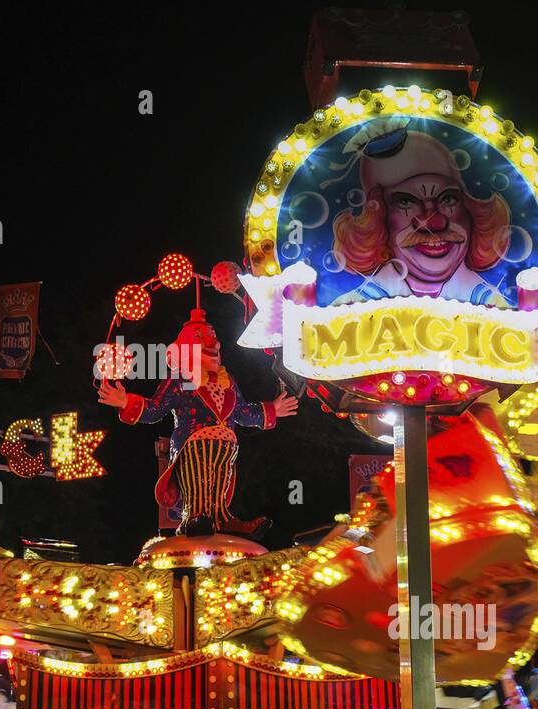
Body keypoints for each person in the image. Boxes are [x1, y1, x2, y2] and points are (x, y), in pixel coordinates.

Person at [98, 308, 298, 538]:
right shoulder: (180, 379)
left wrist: (272, 409)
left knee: (220, 487)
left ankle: (223, 519)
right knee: (198, 483)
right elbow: (156, 408)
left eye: (212, 335)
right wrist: (125, 401)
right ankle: (193, 519)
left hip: (227, 446)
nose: (211, 341)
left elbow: (241, 411)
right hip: (193, 444)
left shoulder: (227, 380)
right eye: (200, 337)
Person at [324, 125, 512, 307]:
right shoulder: (350, 309)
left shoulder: (495, 308)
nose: (434, 222)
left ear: (469, 211)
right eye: (406, 202)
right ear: (379, 219)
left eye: (448, 199)